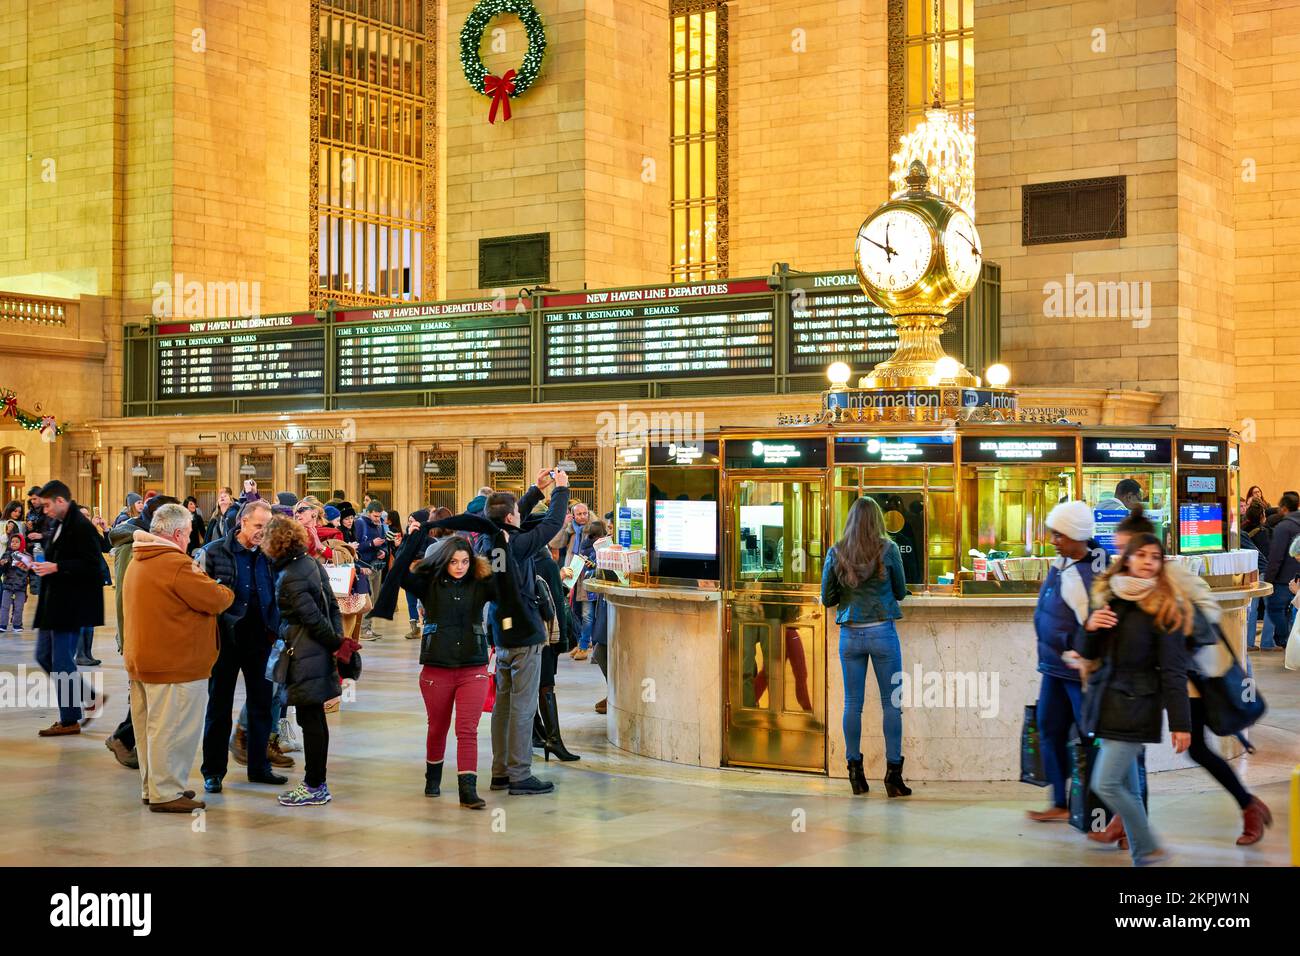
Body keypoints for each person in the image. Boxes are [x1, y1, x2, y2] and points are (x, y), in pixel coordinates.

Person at [1071, 533, 1194, 865]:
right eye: (1141, 555)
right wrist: (1090, 627)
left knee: (1106, 783)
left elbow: (1173, 671)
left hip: (1137, 707)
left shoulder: (1166, 608)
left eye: (1155, 557)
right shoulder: (1111, 596)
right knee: (1130, 789)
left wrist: (1181, 723)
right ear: (1127, 558)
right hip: (1106, 703)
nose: (1148, 562)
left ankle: (1149, 844)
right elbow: (1088, 651)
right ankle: (1143, 855)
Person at [123, 504, 234, 812]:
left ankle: (154, 787)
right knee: (173, 730)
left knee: (150, 730)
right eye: (187, 534)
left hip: (143, 659)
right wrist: (223, 587)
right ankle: (167, 792)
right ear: (176, 534)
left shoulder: (138, 559)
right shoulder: (174, 564)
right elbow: (216, 599)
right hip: (175, 663)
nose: (189, 540)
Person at [483, 469, 569, 795]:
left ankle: (500, 771)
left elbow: (508, 512)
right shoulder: (517, 545)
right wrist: (560, 490)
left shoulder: (491, 539)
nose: (521, 512)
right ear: (509, 517)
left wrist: (535, 490)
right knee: (523, 706)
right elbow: (552, 524)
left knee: (504, 705)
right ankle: (520, 775)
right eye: (517, 510)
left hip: (502, 633)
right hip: (525, 634)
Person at [198, 499, 291, 793]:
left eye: (267, 527)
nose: (263, 533)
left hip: (261, 641)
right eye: (258, 526)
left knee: (262, 706)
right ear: (243, 522)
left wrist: (276, 629)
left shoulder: (271, 556)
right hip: (225, 641)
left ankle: (259, 767)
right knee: (219, 707)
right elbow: (201, 595)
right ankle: (213, 772)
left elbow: (279, 594)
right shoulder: (215, 552)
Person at [821, 497, 910, 797]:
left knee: (852, 704)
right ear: (878, 520)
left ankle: (855, 773)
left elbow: (827, 598)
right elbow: (899, 591)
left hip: (850, 635)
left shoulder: (836, 551)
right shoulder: (890, 549)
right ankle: (893, 777)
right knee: (891, 704)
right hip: (882, 632)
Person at [1027, 500, 1107, 822]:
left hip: (1076, 672)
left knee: (1090, 738)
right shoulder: (1061, 565)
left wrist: (1076, 649)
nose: (1053, 539)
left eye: (1060, 534)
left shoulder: (1090, 575)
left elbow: (1096, 624)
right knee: (1048, 728)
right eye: (1053, 532)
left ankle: (1095, 809)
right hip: (1054, 669)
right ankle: (1060, 802)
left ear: (1077, 535)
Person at [405, 535, 496, 809]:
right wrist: (416, 535)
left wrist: (498, 537)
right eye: (454, 561)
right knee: (438, 727)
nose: (460, 567)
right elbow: (398, 571)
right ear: (444, 561)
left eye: (466, 561)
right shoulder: (428, 585)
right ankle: (432, 778)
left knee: (467, 729)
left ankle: (467, 790)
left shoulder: (481, 585)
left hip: (473, 665)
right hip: (437, 667)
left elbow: (506, 577)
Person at [264, 516, 344, 807]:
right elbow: (332, 606)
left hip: (304, 652)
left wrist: (334, 643)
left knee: (310, 719)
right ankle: (317, 783)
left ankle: (314, 786)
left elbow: (311, 618)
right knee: (315, 718)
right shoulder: (310, 563)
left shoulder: (291, 575)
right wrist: (337, 641)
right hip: (316, 651)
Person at [103, 494, 178, 768]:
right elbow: (125, 596)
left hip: (156, 628)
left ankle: (136, 743)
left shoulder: (153, 540)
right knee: (143, 693)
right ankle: (124, 739)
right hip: (139, 633)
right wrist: (127, 638)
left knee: (150, 693)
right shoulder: (130, 545)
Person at [31, 480, 108, 737]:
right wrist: (36, 565)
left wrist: (57, 567)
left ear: (61, 501)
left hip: (71, 604)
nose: (45, 511)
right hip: (54, 602)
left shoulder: (81, 526)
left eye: (47, 505)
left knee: (62, 659)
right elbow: (56, 558)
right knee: (44, 655)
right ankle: (89, 697)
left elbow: (92, 566)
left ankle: (69, 719)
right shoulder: (58, 524)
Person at [531, 523, 580, 762]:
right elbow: (557, 604)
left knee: (529, 686)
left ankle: (535, 733)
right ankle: (553, 740)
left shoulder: (519, 558)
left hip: (523, 634)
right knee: (546, 685)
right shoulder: (547, 563)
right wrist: (562, 642)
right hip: (547, 635)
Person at [551, 500, 593, 659]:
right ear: (573, 515)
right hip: (572, 576)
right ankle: (581, 642)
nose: (583, 517)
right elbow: (554, 542)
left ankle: (584, 646)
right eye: (579, 514)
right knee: (575, 611)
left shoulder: (594, 529)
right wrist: (564, 527)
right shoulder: (571, 530)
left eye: (585, 513)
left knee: (587, 612)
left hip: (587, 576)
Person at [74, 507, 112, 666]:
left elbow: (107, 548)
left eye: (88, 515)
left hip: (93, 578)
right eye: (83, 515)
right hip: (80, 579)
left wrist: (105, 529)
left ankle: (87, 653)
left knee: (90, 619)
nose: (87, 518)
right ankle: (80, 654)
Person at [1262, 490, 1299, 649]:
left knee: (1275, 608)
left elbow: (1276, 556)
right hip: (1296, 577)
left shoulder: (1283, 527)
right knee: (1295, 610)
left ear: (1283, 508)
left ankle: (1287, 639)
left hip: (1284, 579)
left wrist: (1269, 580)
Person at [1241, 503, 1277, 651]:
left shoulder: (1241, 531)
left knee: (1251, 609)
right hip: (1263, 571)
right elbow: (1269, 554)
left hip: (1248, 573)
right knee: (1270, 607)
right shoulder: (1265, 532)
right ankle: (1267, 642)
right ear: (1262, 516)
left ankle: (1249, 642)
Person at [355, 500, 388, 640]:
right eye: (375, 516)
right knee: (366, 598)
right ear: (368, 513)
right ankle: (363, 630)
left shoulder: (380, 524)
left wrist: (383, 552)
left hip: (376, 565)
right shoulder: (359, 523)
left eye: (379, 516)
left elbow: (384, 542)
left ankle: (368, 628)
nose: (377, 519)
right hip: (364, 566)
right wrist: (371, 544)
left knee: (374, 598)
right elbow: (355, 546)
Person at [0, 532, 32, 633]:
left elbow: (30, 570)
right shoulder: (6, 554)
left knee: (19, 607)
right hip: (7, 585)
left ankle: (17, 624)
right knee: (4, 606)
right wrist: (2, 564)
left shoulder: (26, 556)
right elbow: (2, 571)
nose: (14, 544)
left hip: (21, 586)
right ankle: (2, 624)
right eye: (12, 542)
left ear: (21, 543)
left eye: (17, 542)